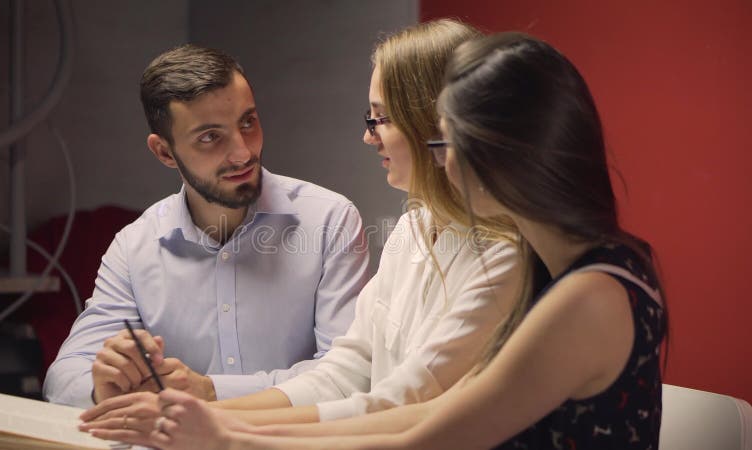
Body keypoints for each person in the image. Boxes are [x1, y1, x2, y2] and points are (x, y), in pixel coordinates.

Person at [86, 31, 668, 450]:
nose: (443, 157)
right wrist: (215, 419)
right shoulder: (430, 231)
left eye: (446, 137)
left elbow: (426, 428)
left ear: (498, 149)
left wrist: (229, 434)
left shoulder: (574, 289)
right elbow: (405, 400)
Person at [43, 44, 371, 408]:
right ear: (164, 153)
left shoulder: (329, 222)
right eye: (210, 137)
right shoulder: (134, 247)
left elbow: (351, 377)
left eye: (248, 122)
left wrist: (211, 392)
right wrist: (101, 387)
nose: (243, 152)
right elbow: (63, 378)